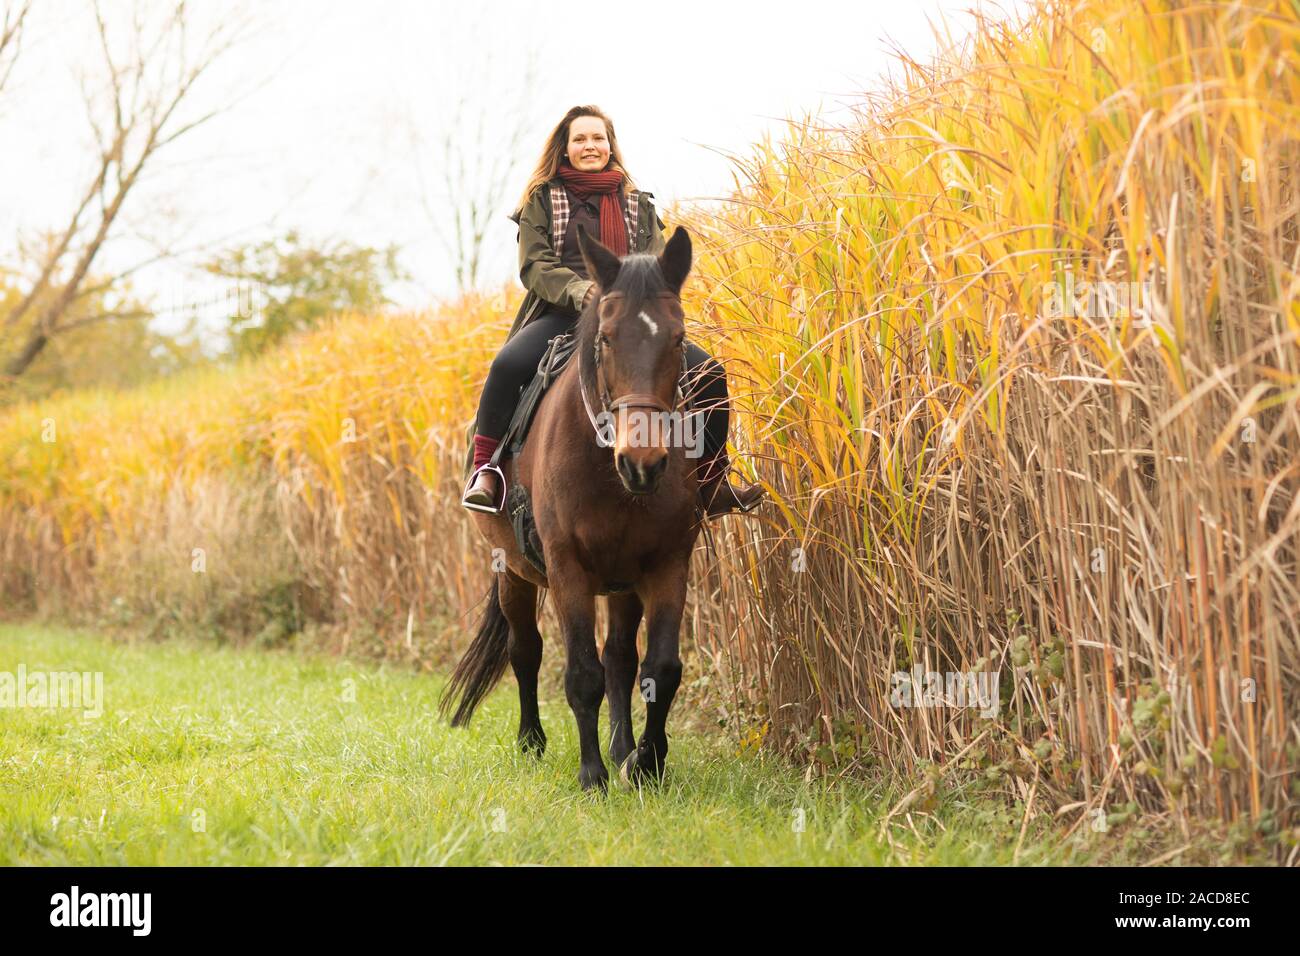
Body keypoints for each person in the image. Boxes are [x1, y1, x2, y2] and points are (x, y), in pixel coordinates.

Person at [462, 104, 764, 517]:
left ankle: (712, 479)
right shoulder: (543, 200)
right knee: (506, 364)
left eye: (598, 138)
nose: (590, 146)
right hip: (561, 313)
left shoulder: (638, 205)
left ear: (610, 145)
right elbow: (535, 265)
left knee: (709, 372)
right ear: (565, 149)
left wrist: (635, 301)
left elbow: (657, 265)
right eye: (580, 139)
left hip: (629, 325)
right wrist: (583, 291)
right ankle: (488, 472)